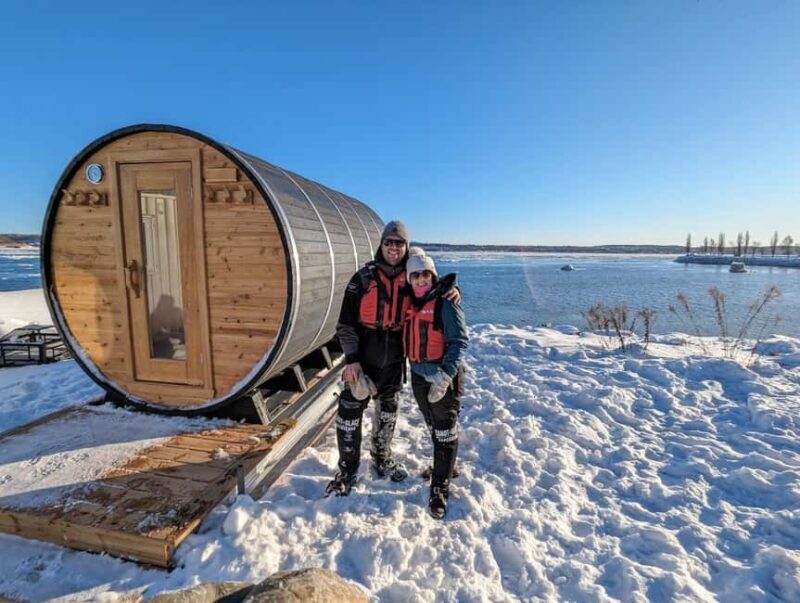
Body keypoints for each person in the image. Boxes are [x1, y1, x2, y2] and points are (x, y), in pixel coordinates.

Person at [326, 222, 458, 496]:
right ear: (381, 245)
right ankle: (348, 469)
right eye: (390, 242)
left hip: (395, 355)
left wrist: (454, 293)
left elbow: (431, 290)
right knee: (350, 410)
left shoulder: (410, 279)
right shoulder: (362, 279)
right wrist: (351, 359)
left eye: (400, 243)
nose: (394, 248)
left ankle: (381, 459)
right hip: (364, 352)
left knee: (388, 409)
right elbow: (345, 323)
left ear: (406, 247)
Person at [403, 250, 468, 519]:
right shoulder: (411, 303)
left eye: (425, 274)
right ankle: (447, 466)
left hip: (442, 376)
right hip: (418, 373)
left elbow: (459, 341)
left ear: (433, 276)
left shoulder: (446, 302)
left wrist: (446, 375)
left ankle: (440, 485)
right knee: (432, 424)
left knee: (444, 430)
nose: (420, 279)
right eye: (415, 275)